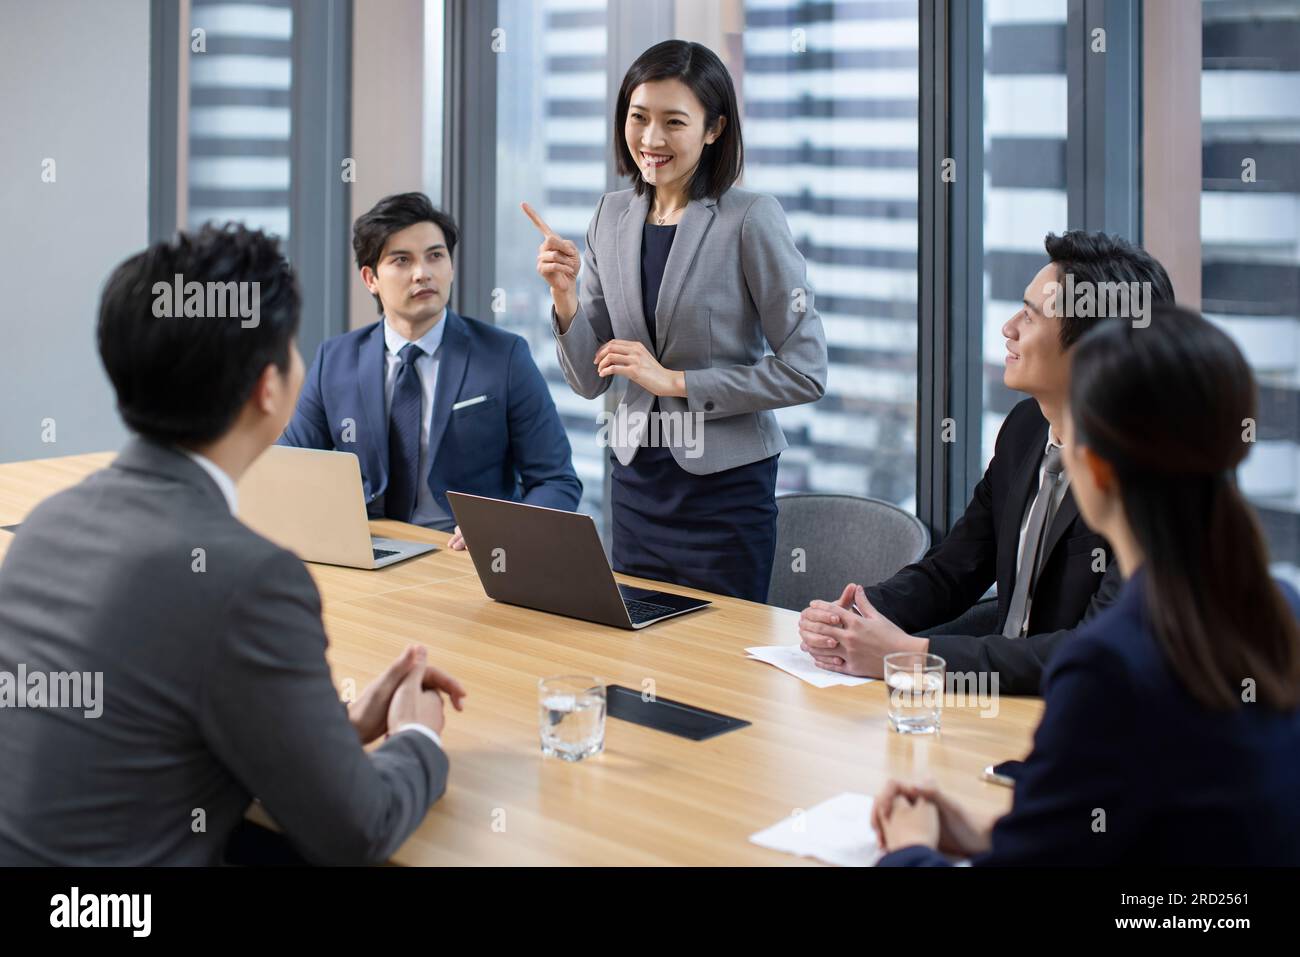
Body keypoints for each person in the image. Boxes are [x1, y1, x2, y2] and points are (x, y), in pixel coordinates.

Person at [0, 224, 465, 865]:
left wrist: (337, 725)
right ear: (267, 387)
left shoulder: (45, 524)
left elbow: (150, 712)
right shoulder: (248, 577)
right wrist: (418, 736)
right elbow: (357, 830)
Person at [874, 305, 1300, 866]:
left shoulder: (1107, 668)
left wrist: (908, 848)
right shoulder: (1277, 608)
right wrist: (989, 839)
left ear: (1093, 470)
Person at [798, 231, 1176, 693]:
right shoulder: (1025, 429)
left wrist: (912, 658)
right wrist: (855, 616)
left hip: (1089, 712)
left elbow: (1098, 649)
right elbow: (954, 569)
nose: (1009, 328)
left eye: (1031, 317)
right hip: (999, 703)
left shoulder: (1153, 476)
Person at [524, 39, 827, 602]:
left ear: (713, 129)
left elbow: (806, 371)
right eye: (638, 118)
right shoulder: (610, 216)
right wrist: (564, 296)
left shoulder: (751, 219)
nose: (651, 139)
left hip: (724, 495)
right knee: (639, 662)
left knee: (714, 676)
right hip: (637, 485)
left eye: (674, 122)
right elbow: (590, 381)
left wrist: (676, 382)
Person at [281, 192, 581, 551]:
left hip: (471, 559)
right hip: (370, 552)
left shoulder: (504, 356)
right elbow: (289, 466)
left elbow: (557, 482)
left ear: (450, 267)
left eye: (435, 256)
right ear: (370, 278)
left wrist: (503, 529)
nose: (422, 273)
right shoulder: (337, 358)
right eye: (401, 260)